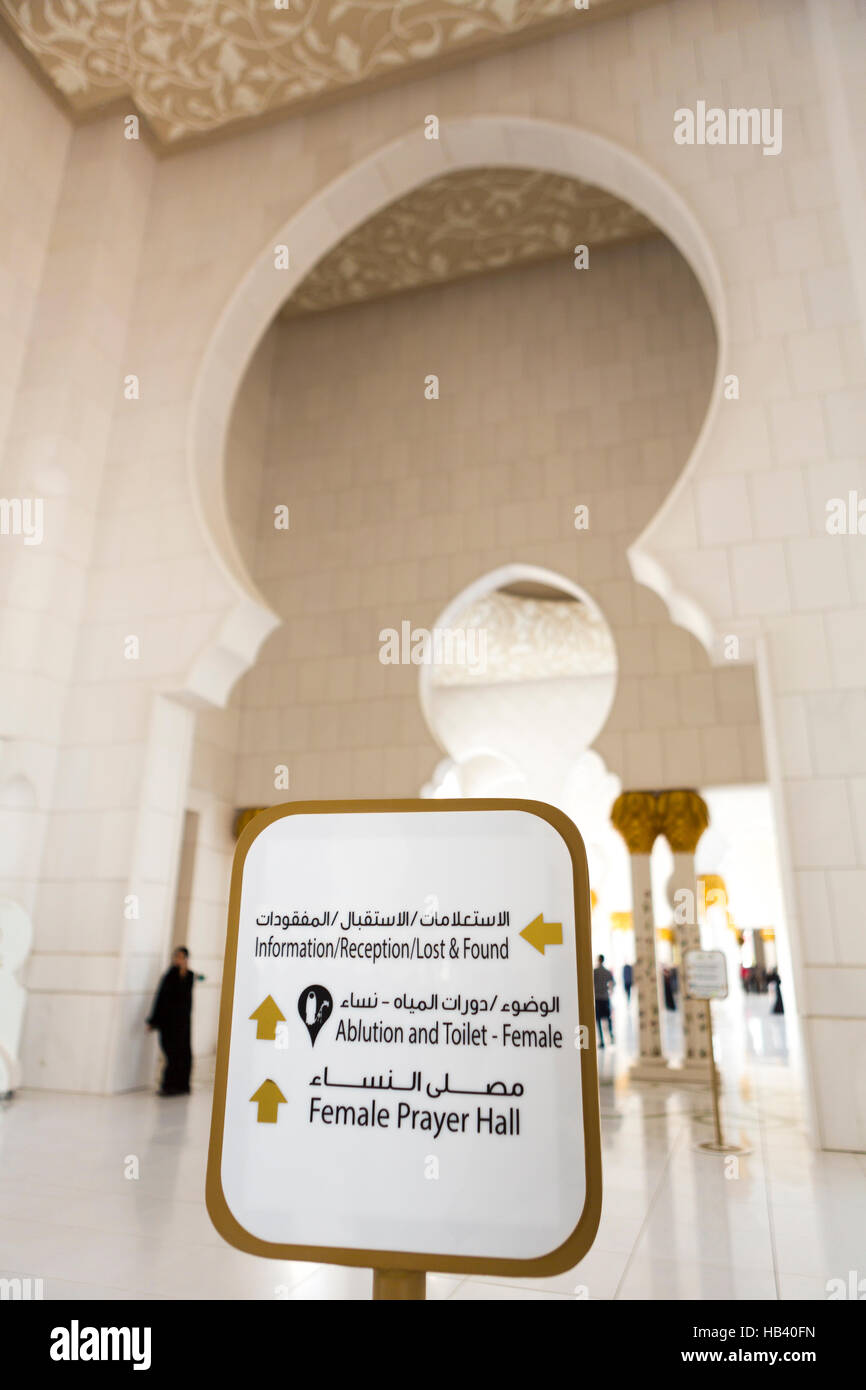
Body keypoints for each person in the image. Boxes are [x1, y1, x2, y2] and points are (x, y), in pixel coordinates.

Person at [146, 946, 194, 1096]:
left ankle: (181, 1086)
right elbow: (161, 999)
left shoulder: (189, 976)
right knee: (171, 1054)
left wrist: (183, 973)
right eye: (177, 957)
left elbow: (186, 999)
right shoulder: (169, 975)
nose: (178, 960)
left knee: (183, 1054)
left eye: (181, 957)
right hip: (168, 1024)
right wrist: (153, 1021)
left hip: (182, 1024)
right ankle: (169, 1086)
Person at [593, 953, 615, 1048]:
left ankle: (601, 1041)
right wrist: (610, 991)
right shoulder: (607, 972)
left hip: (597, 998)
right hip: (605, 997)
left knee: (598, 1020)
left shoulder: (595, 971)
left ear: (598, 960)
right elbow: (613, 982)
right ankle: (610, 1036)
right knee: (608, 1018)